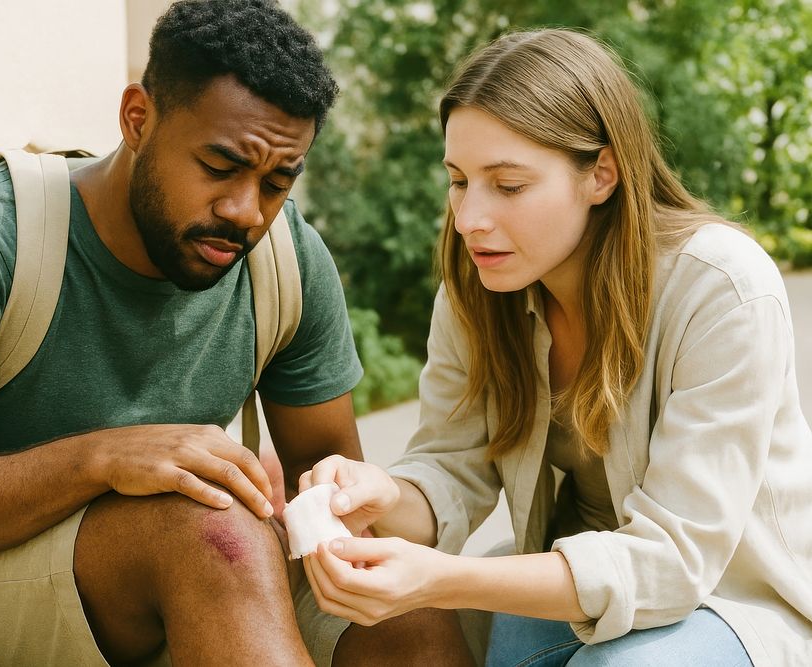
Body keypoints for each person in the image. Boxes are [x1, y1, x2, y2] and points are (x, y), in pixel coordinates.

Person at [0, 1, 472, 664]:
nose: (244, 211)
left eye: (276, 182)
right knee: (213, 531)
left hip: (183, 552)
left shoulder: (287, 259)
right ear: (137, 118)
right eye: (220, 166)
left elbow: (329, 490)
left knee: (402, 599)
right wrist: (102, 459)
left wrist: (335, 514)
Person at [300, 28, 812, 667]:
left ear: (601, 174)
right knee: (375, 632)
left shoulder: (722, 288)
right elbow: (452, 469)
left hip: (733, 600)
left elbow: (673, 562)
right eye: (458, 181)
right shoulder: (477, 289)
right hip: (575, 580)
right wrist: (385, 494)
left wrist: (440, 579)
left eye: (508, 185)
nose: (469, 219)